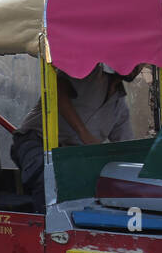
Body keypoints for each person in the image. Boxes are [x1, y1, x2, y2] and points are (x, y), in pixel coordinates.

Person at [9, 63, 136, 211]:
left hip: (72, 158)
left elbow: (127, 148)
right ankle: (49, 231)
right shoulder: (87, 72)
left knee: (91, 191)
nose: (137, 68)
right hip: (36, 141)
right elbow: (57, 90)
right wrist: (85, 135)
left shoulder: (120, 108)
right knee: (50, 181)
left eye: (141, 64)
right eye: (135, 60)